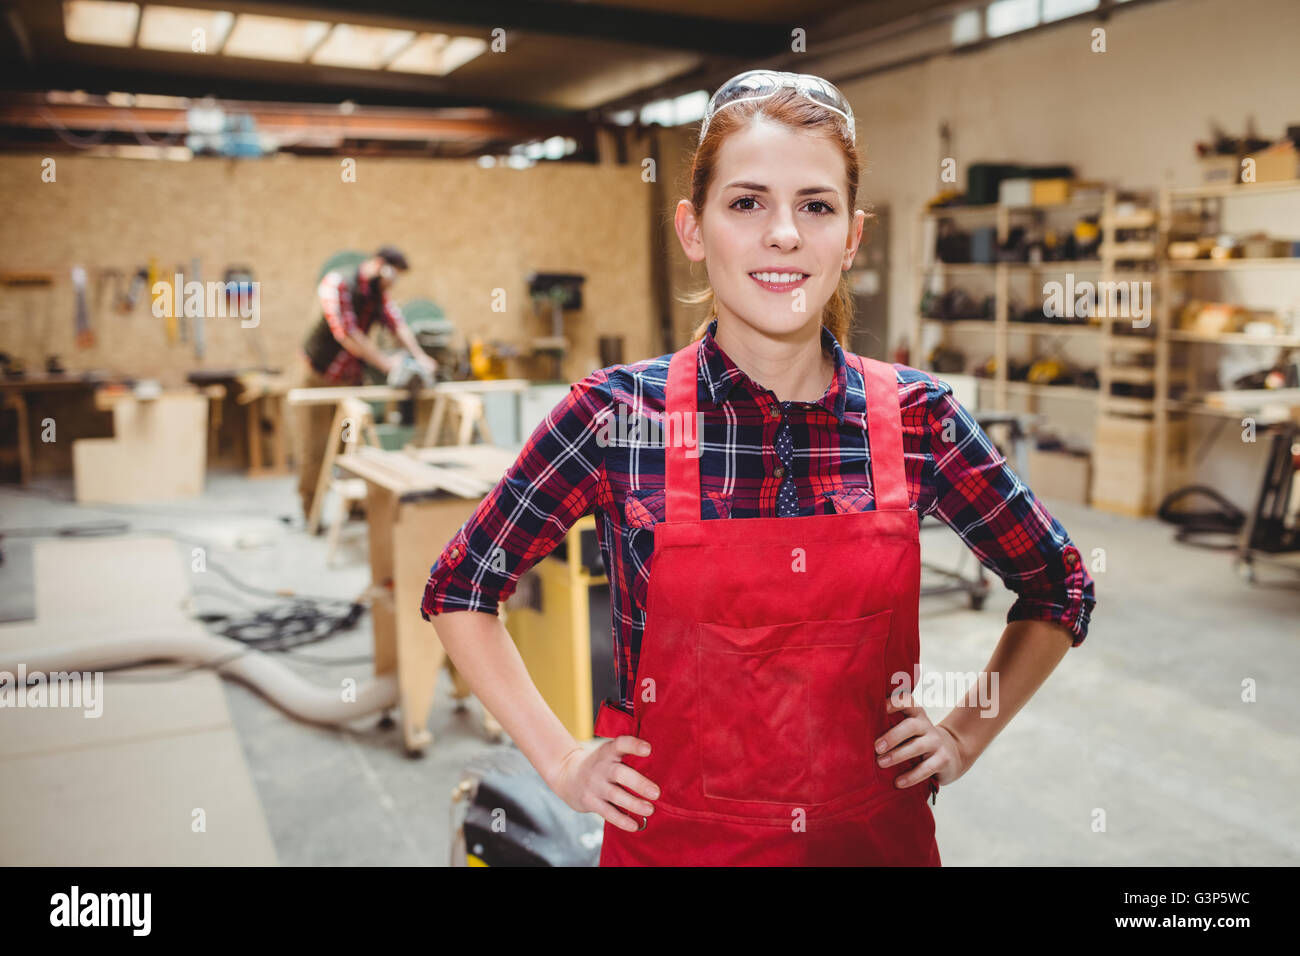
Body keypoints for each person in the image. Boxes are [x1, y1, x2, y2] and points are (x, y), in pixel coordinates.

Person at [420, 70, 1097, 866]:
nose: (785, 235)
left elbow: (1059, 584)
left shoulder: (920, 420)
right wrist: (563, 760)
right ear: (694, 230)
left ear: (852, 237)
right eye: (747, 203)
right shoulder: (616, 417)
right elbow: (461, 589)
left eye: (816, 205)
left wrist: (962, 736)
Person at [295, 245, 437, 524]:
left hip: (349, 380)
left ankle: (355, 506)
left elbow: (398, 325)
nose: (392, 282)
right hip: (318, 377)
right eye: (391, 275)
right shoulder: (337, 284)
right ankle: (311, 513)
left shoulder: (378, 294)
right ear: (378, 265)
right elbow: (347, 334)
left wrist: (420, 358)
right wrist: (387, 364)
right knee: (316, 448)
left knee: (349, 444)